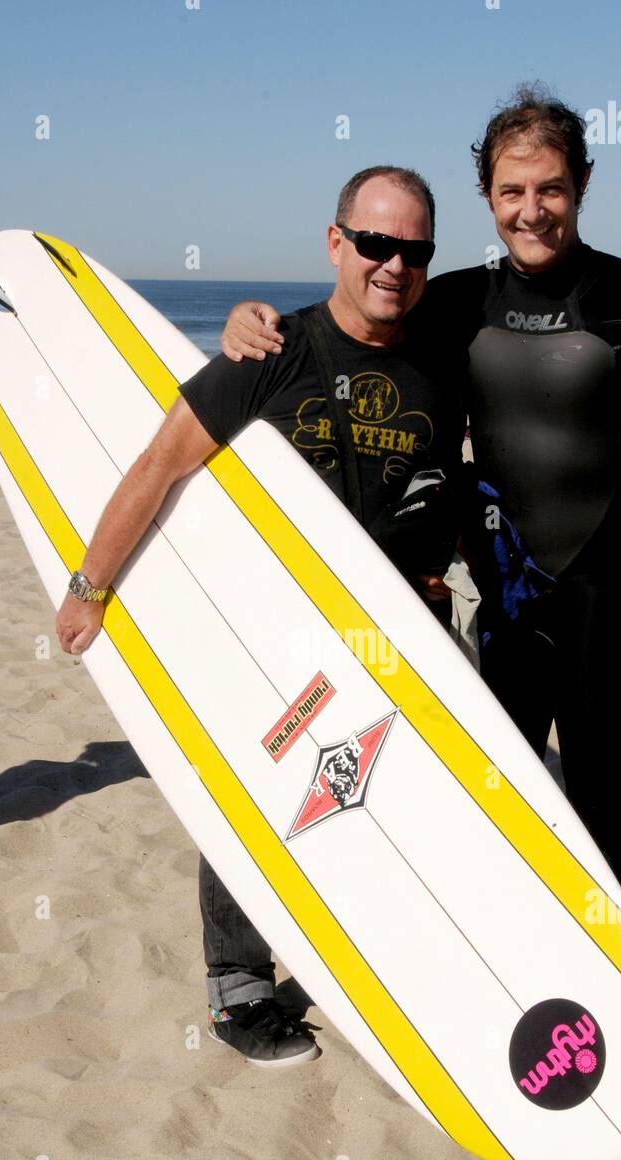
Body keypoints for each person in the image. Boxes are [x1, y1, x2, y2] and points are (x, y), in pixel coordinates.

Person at [221, 84, 621, 889]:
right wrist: (257, 323)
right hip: (501, 609)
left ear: (582, 186)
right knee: (501, 801)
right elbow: (353, 326)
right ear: (488, 197)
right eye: (511, 192)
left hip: (605, 605)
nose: (532, 211)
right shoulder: (458, 300)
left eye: (550, 188)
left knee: (601, 800)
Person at [55, 166, 465, 1065]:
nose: (394, 264)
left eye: (415, 250)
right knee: (251, 798)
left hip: (398, 637)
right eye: (375, 243)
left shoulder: (441, 367)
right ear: (336, 242)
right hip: (274, 633)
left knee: (384, 804)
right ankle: (240, 987)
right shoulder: (267, 351)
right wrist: (91, 585)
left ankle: (372, 953)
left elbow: (453, 494)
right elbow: (161, 463)